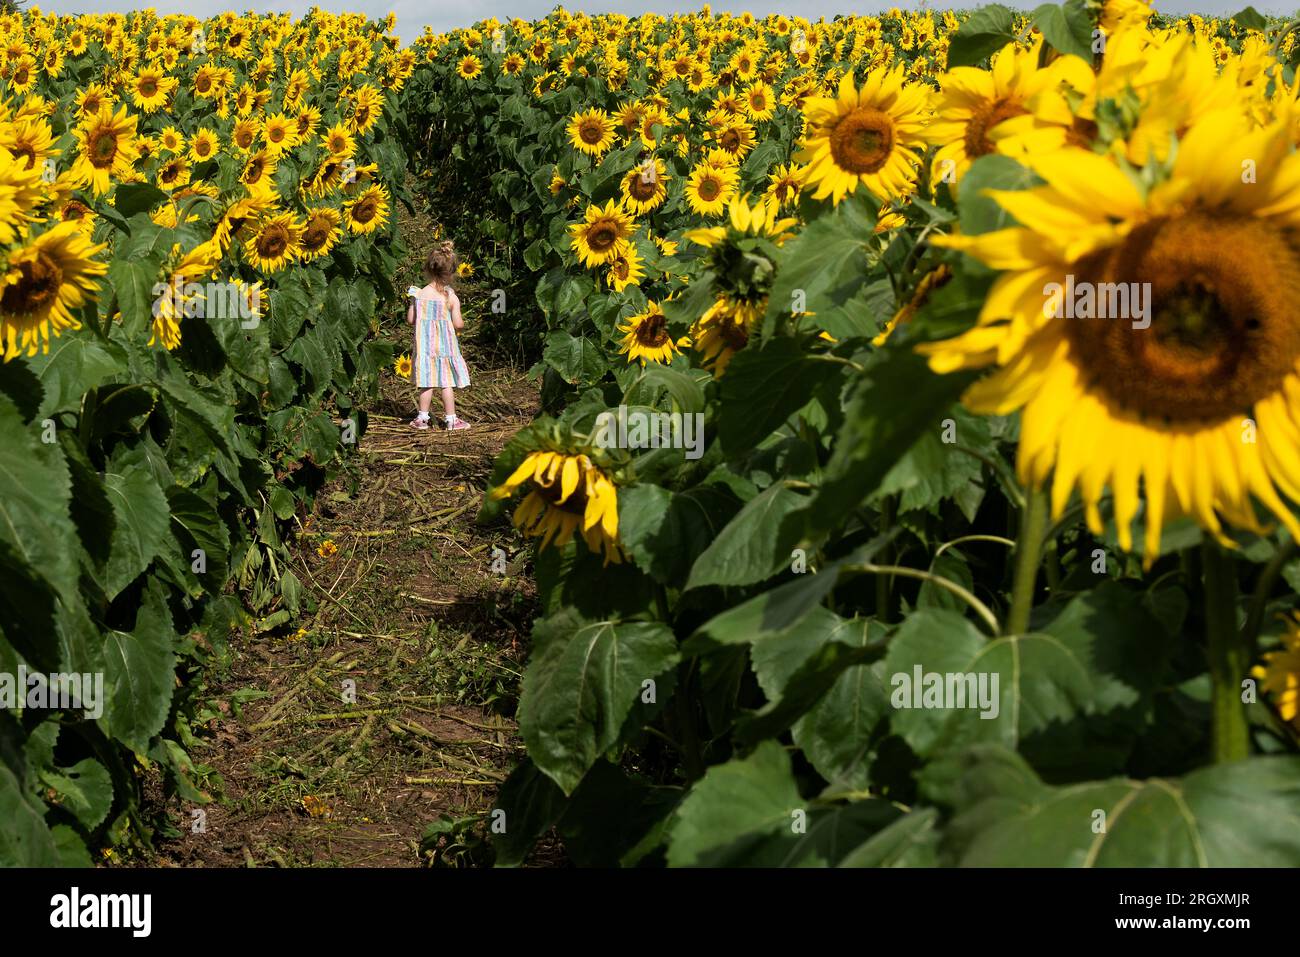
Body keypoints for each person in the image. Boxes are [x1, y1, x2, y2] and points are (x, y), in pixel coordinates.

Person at [407, 240, 470, 431]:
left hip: (425, 348)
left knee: (426, 383)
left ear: (428, 268)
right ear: (451, 273)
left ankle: (422, 418)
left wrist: (412, 302)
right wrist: (463, 325)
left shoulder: (419, 294)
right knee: (446, 384)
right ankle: (451, 419)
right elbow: (458, 323)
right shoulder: (450, 296)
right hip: (445, 348)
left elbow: (411, 320)